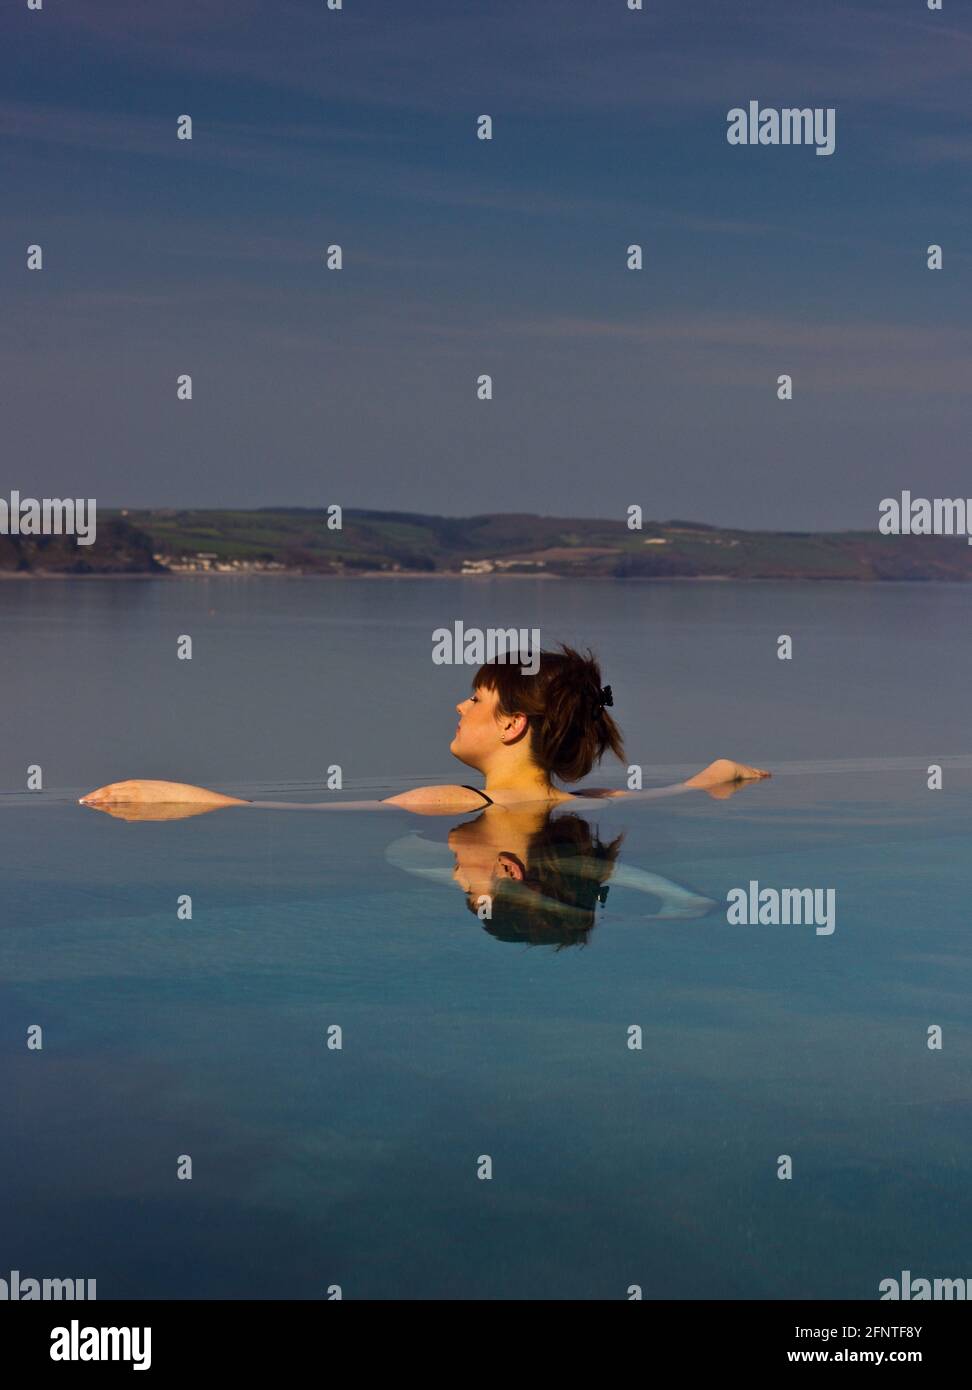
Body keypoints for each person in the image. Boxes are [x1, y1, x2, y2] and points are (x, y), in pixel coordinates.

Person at [79, 644, 769, 820]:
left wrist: (156, 793)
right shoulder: (597, 804)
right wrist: (731, 773)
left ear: (512, 725)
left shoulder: (455, 802)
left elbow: (283, 811)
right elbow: (697, 781)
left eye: (474, 699)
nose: (458, 707)